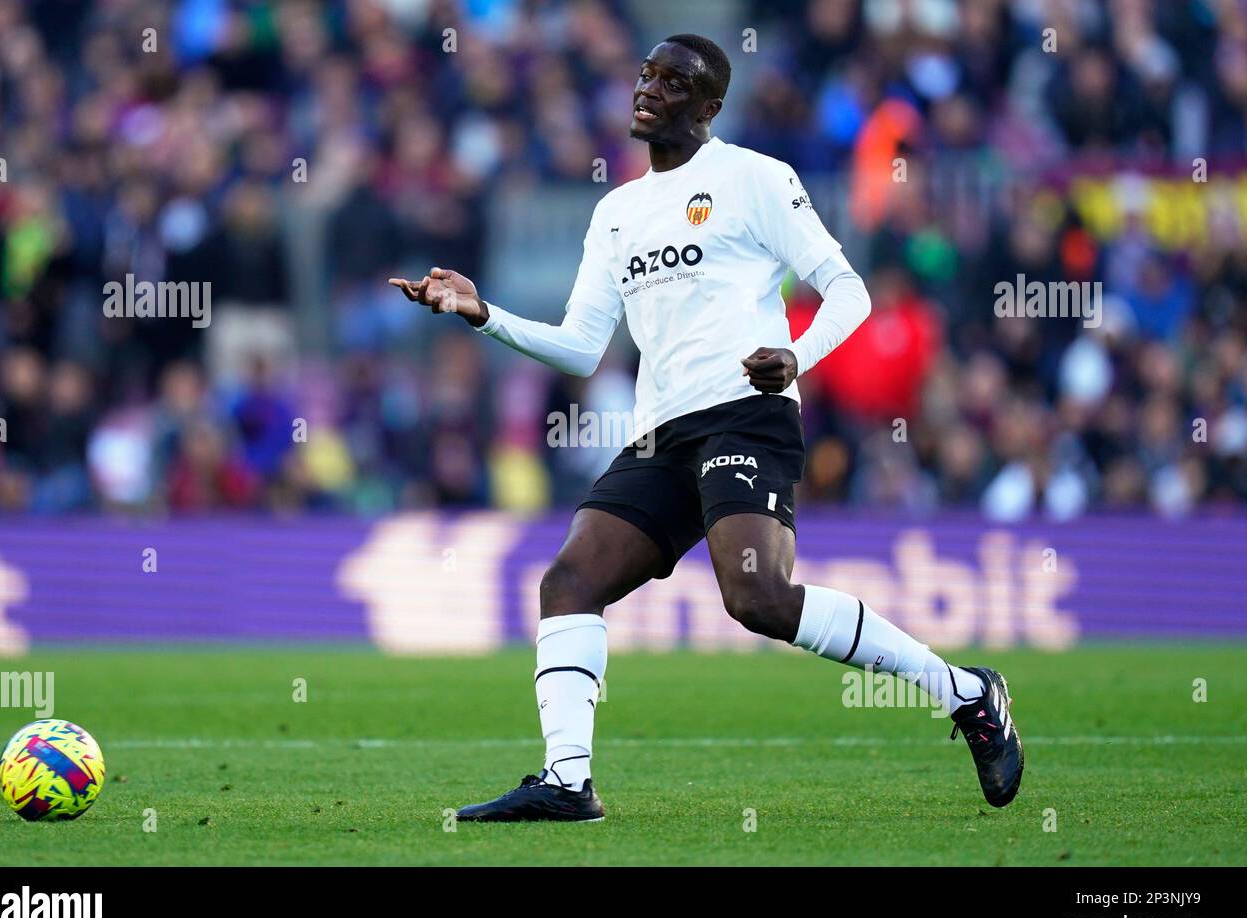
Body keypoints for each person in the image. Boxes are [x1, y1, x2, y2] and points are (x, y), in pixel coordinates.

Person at [391, 34, 1022, 822]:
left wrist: (795, 357)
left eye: (672, 82)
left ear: (710, 106)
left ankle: (966, 692)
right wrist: (481, 314)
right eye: (645, 74)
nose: (647, 89)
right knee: (568, 582)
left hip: (746, 415)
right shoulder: (617, 210)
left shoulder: (755, 179)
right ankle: (567, 782)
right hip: (662, 431)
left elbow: (849, 291)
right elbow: (582, 346)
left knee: (756, 596)